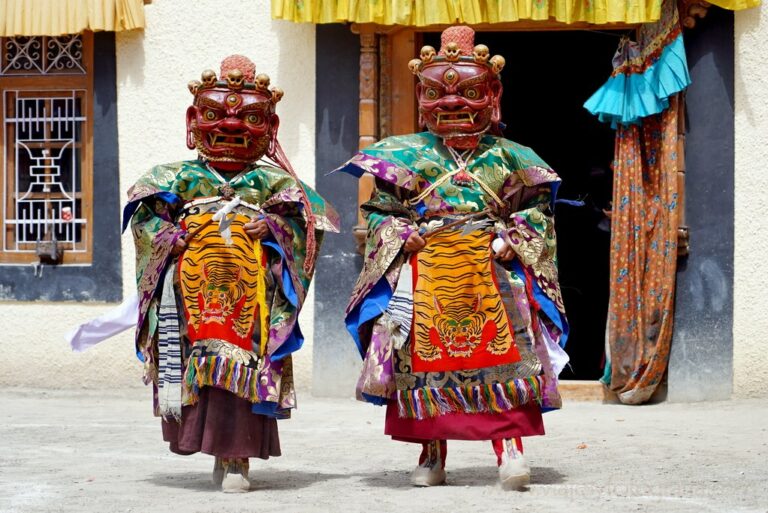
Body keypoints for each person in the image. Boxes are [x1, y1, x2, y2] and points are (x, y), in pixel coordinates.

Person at [336, 27, 569, 489]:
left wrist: (514, 237)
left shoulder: (513, 157)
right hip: (427, 272)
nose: (452, 104)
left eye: (468, 92)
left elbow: (538, 213)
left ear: (493, 93)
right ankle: (431, 455)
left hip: (490, 269)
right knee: (425, 363)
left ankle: (510, 453)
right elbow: (381, 213)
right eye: (437, 93)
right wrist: (402, 234)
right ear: (421, 97)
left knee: (507, 358)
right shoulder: (402, 155)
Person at [123, 55, 338, 492]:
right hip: (191, 299)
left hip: (251, 298)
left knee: (244, 372)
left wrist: (276, 228)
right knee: (197, 370)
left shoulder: (277, 185)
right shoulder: (174, 178)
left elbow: (312, 225)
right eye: (215, 115)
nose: (233, 127)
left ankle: (237, 458)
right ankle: (210, 451)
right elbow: (146, 223)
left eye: (251, 118)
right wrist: (168, 238)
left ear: (270, 125)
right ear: (193, 118)